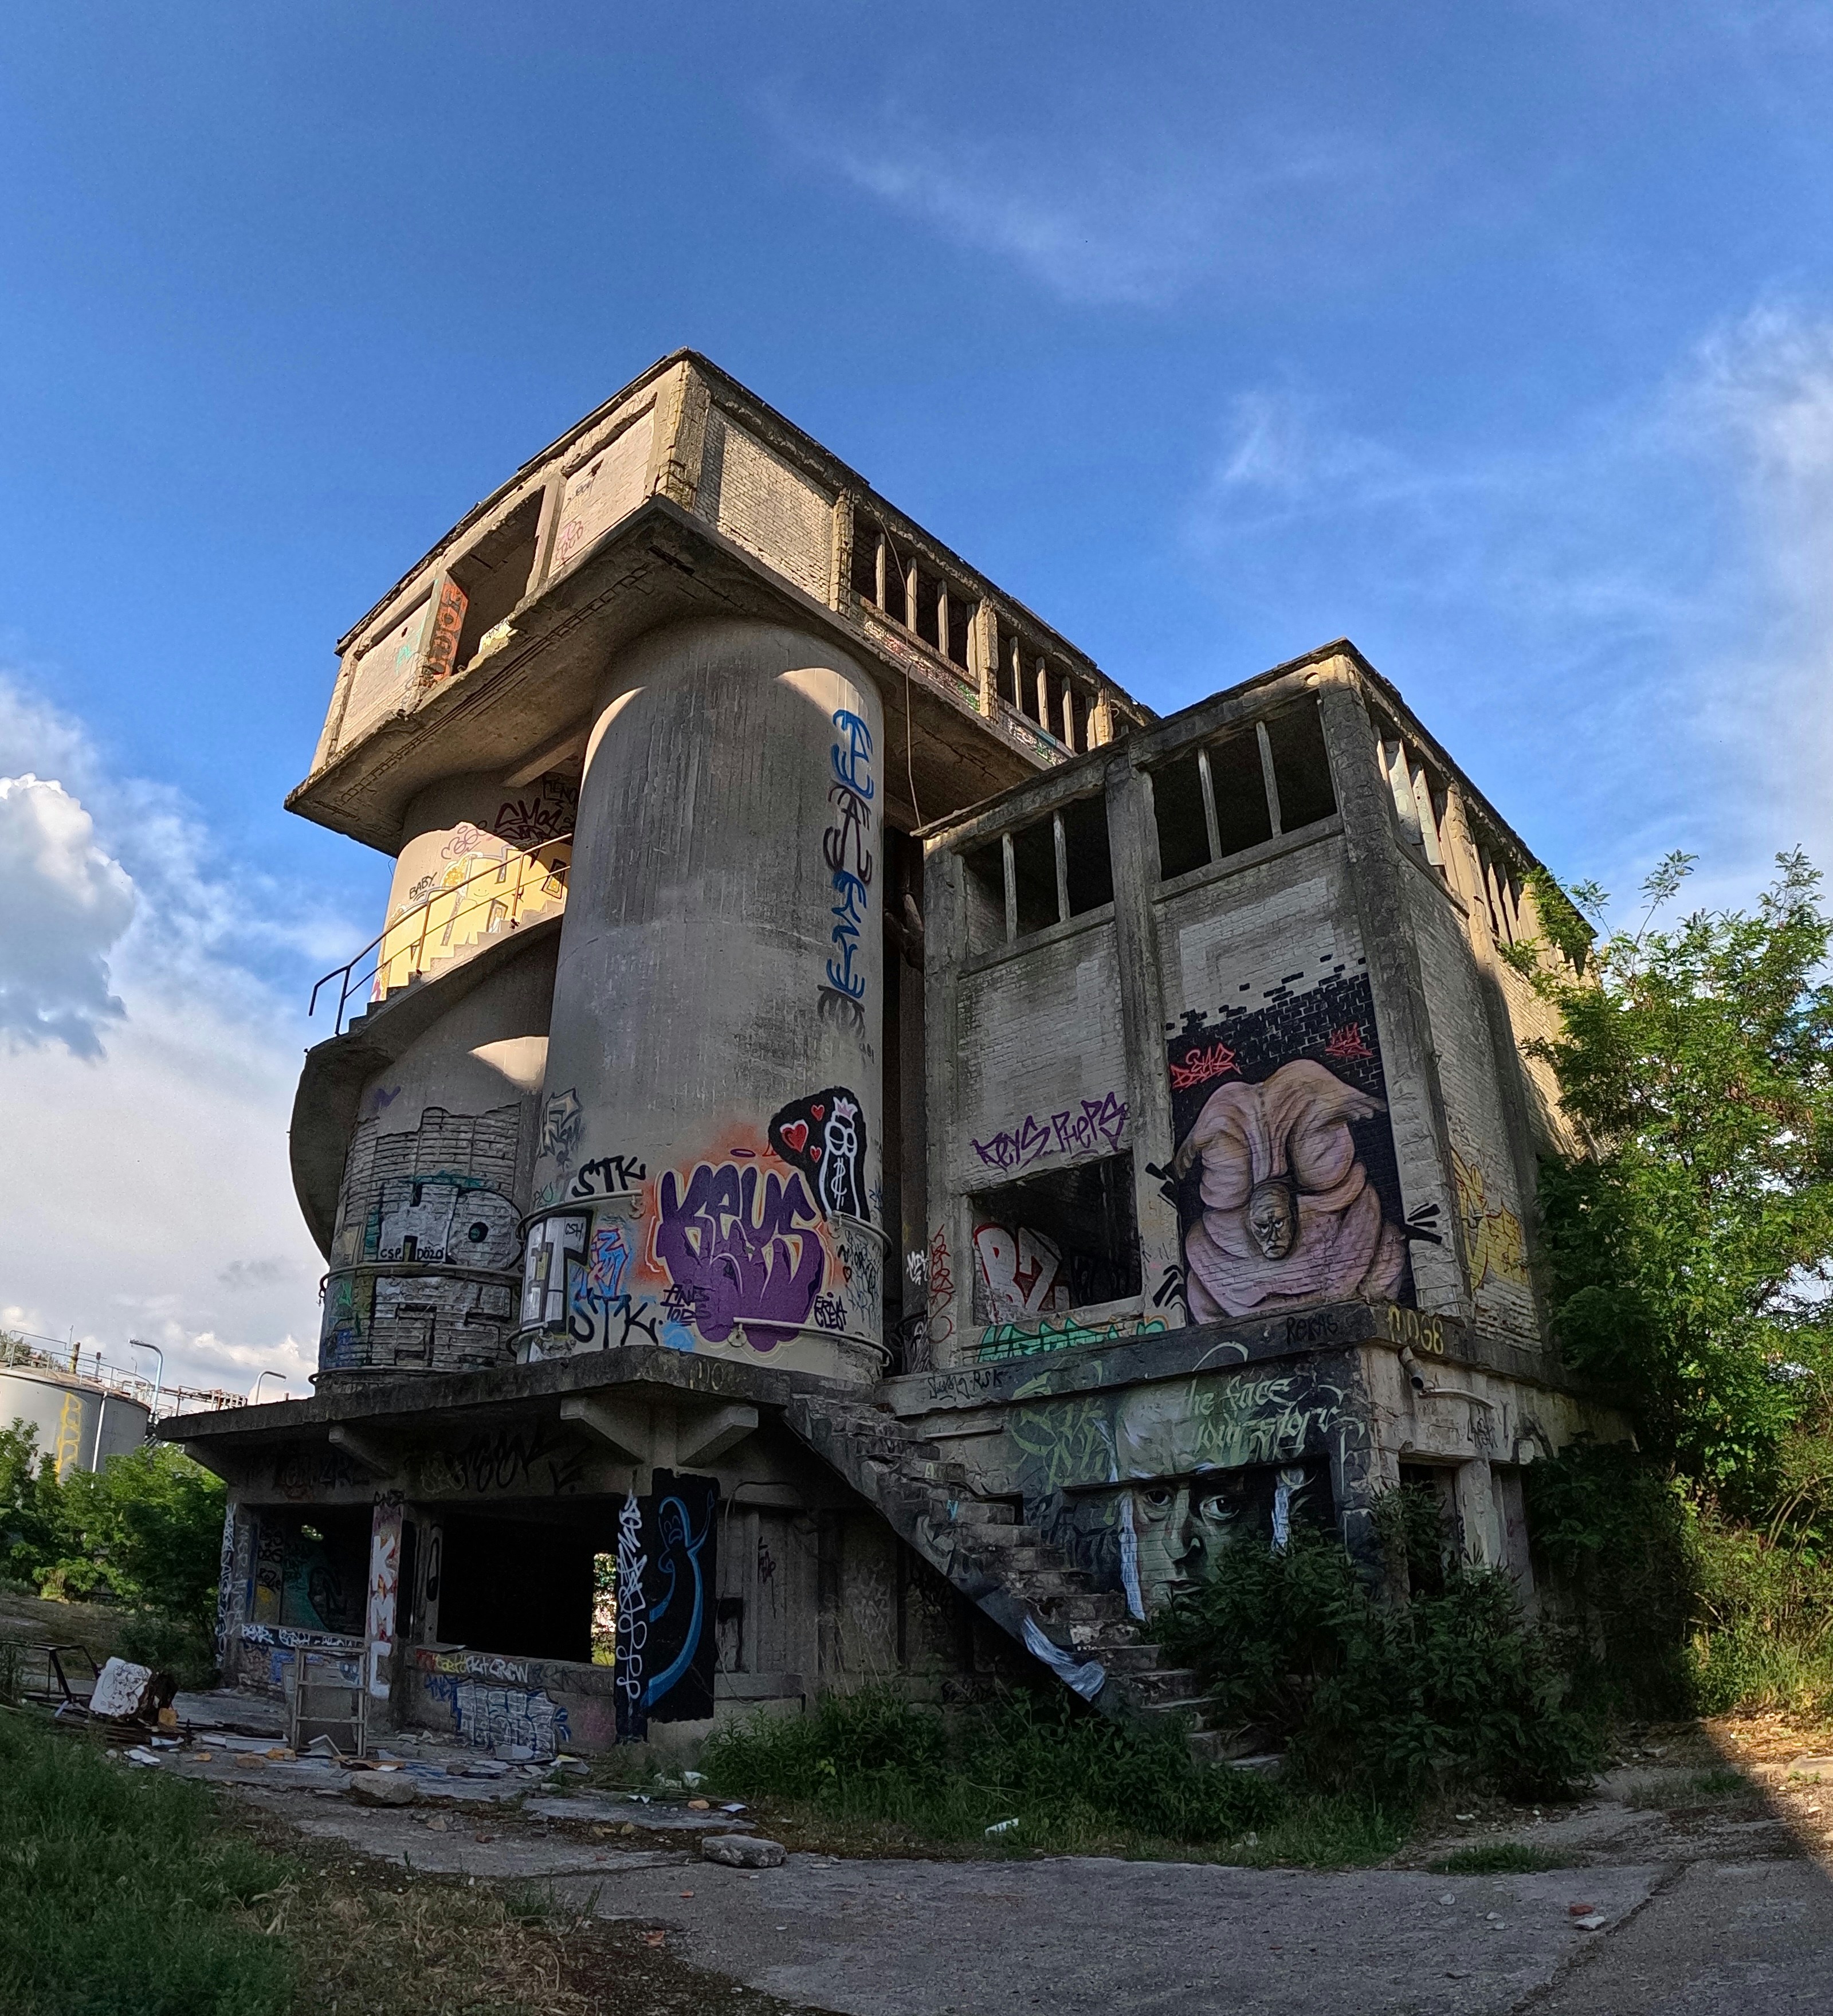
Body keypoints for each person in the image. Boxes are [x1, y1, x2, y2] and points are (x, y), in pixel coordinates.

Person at [1171, 1058, 1406, 1320]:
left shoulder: (1361, 1229)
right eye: (1262, 1226)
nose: (1272, 1236)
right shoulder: (1209, 1257)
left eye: (1279, 1223)